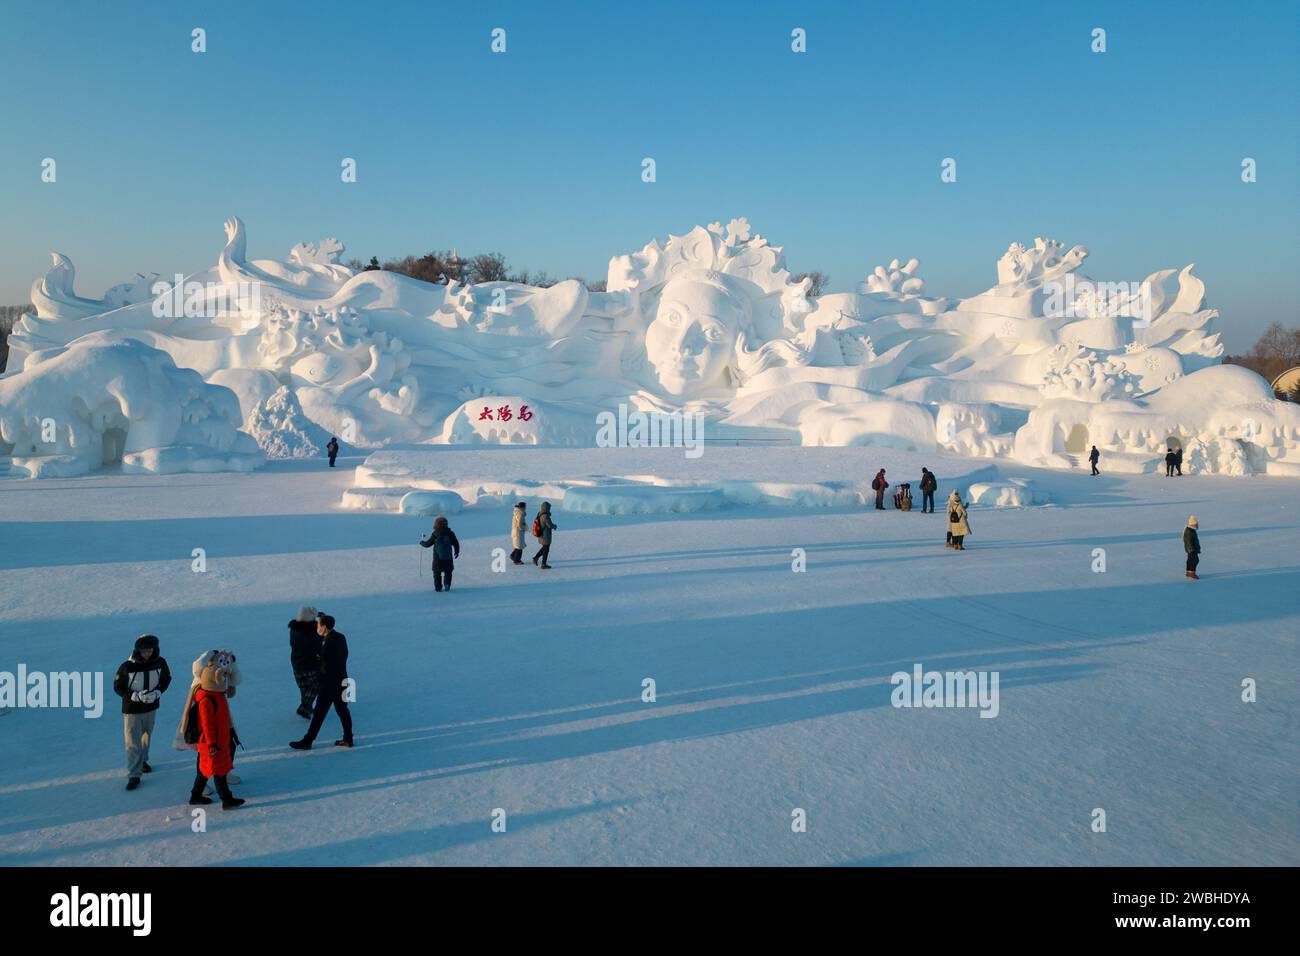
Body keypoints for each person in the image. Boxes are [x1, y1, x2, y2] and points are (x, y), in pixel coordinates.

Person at [113, 634, 172, 791]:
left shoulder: (160, 663)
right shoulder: (127, 666)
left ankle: (143, 761)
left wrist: (158, 692)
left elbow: (166, 679)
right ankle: (134, 774)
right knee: (133, 741)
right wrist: (134, 696)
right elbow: (118, 686)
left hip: (151, 707)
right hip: (132, 710)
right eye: (144, 651)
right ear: (137, 650)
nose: (147, 654)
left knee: (146, 736)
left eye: (150, 650)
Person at [189, 652, 245, 809]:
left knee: (205, 770)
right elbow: (207, 724)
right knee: (218, 771)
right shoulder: (207, 699)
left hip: (218, 740)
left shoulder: (218, 696)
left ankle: (195, 795)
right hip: (212, 743)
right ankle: (227, 800)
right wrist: (212, 744)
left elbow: (223, 719)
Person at [291, 614, 353, 749]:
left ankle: (307, 741)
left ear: (324, 626)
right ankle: (348, 738)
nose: (317, 626)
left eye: (318, 624)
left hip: (330, 684)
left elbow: (324, 663)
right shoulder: (340, 637)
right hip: (345, 680)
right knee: (343, 710)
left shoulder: (327, 644)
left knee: (319, 714)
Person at [289, 605, 321, 718]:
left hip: (296, 663)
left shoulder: (294, 629)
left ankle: (307, 708)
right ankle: (305, 708)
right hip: (309, 663)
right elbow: (317, 645)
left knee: (304, 687)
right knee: (317, 684)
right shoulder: (311, 631)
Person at [420, 516, 461, 592]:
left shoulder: (435, 534)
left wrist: (422, 542)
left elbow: (428, 544)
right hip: (448, 558)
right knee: (448, 572)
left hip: (437, 559)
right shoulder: (450, 533)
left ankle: (438, 588)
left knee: (436, 573)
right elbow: (456, 543)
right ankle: (447, 584)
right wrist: (456, 552)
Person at [532, 501, 557, 569]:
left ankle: (536, 558)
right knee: (546, 549)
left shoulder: (540, 513)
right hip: (545, 536)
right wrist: (554, 526)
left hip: (542, 535)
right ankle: (543, 564)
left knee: (545, 548)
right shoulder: (545, 516)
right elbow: (549, 525)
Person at [1184, 515, 1201, 579]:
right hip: (1191, 549)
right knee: (1195, 560)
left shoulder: (1192, 530)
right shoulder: (1189, 531)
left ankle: (1189, 572)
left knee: (1191, 560)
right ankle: (1191, 572)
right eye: (1195, 524)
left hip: (1192, 548)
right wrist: (1191, 549)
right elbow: (1188, 541)